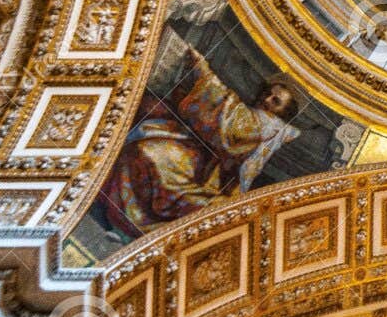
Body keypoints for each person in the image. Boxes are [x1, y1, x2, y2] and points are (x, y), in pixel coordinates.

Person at [98, 45, 301, 237]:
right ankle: (116, 210)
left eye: (276, 101)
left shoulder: (272, 126)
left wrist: (201, 70)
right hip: (204, 161)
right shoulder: (267, 124)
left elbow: (227, 120)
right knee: (150, 130)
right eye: (267, 94)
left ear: (285, 112)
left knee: (150, 152)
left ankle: (127, 220)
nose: (266, 100)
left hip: (214, 180)